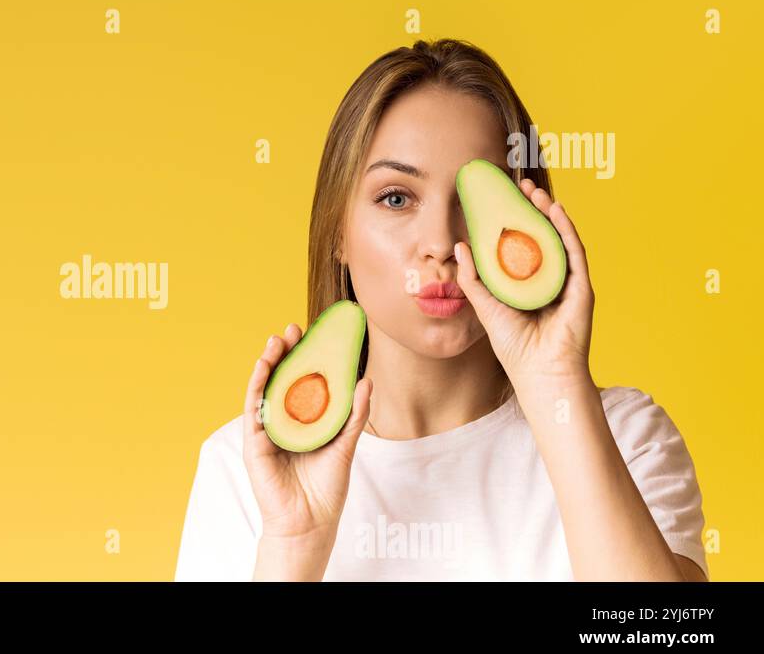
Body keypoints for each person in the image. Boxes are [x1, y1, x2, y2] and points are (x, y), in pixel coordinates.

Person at [174, 39, 708, 581]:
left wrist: (554, 385)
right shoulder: (245, 472)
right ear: (338, 232)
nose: (439, 241)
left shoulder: (624, 436)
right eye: (397, 198)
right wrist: (294, 543)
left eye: (471, 199)